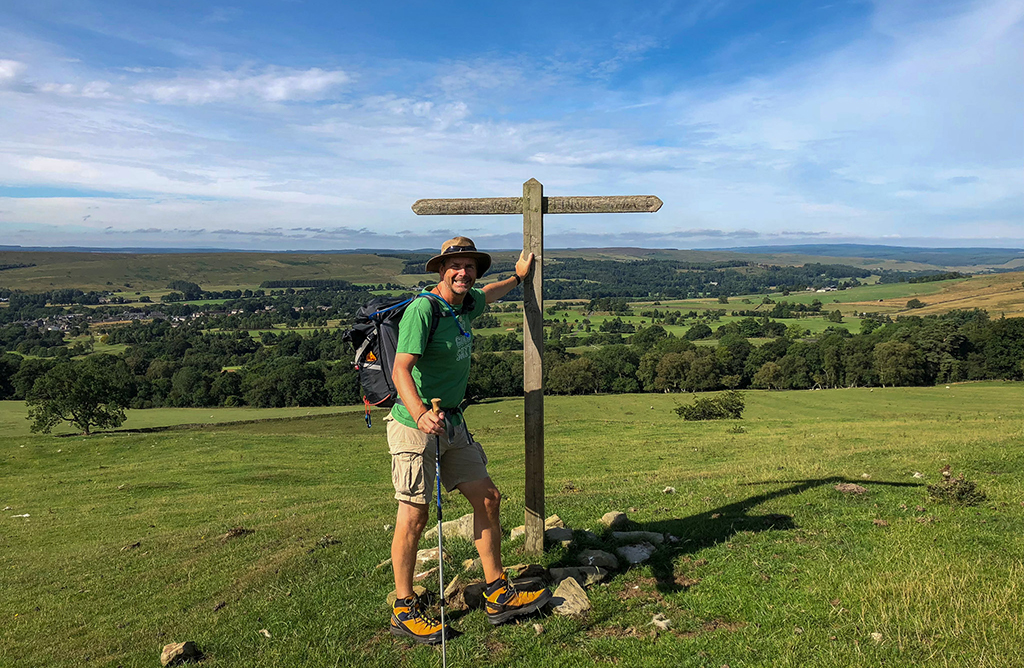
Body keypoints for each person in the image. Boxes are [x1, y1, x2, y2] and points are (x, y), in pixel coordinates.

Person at [387, 236, 550, 644]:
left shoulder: (466, 303)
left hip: (453, 423)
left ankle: (497, 592)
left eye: (470, 266)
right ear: (441, 271)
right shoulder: (423, 310)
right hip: (415, 424)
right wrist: (422, 415)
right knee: (415, 514)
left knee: (489, 497)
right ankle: (404, 607)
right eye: (455, 266)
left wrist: (517, 277)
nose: (463, 273)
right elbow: (400, 370)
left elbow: (488, 295)